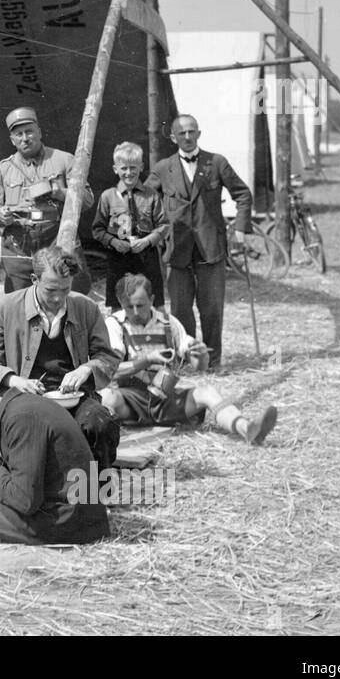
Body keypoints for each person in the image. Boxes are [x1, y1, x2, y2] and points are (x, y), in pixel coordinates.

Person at [0, 245, 122, 471]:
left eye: (65, 290)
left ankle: (95, 494)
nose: (58, 298)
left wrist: (85, 369)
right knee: (31, 435)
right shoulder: (5, 307)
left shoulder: (85, 307)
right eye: (51, 290)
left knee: (99, 423)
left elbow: (106, 356)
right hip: (23, 397)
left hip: (73, 397)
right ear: (35, 279)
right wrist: (15, 380)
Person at [101, 274, 278, 445]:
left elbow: (199, 367)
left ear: (152, 299)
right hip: (131, 401)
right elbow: (110, 371)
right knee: (107, 397)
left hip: (165, 399)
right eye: (129, 307)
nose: (136, 312)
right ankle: (108, 441)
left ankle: (247, 429)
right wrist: (147, 360)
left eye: (140, 305)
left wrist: (201, 355)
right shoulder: (114, 324)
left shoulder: (168, 323)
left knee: (207, 392)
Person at [0, 382, 109, 544]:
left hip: (65, 524)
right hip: (73, 517)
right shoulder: (20, 408)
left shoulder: (21, 419)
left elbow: (25, 500)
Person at [145, 114, 254, 370]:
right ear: (173, 137)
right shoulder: (163, 168)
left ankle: (213, 362)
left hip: (211, 249)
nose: (187, 136)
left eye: (192, 131)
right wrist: (153, 232)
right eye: (181, 133)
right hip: (176, 251)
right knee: (181, 312)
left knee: (212, 309)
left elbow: (243, 194)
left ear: (199, 134)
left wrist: (240, 227)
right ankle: (187, 361)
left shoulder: (216, 163)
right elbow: (145, 201)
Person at [0, 106, 93, 292]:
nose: (25, 138)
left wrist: (60, 193)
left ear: (39, 132)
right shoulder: (3, 169)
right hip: (19, 247)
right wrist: (0, 213)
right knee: (19, 300)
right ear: (12, 140)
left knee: (72, 293)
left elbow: (88, 200)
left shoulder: (64, 160)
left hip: (57, 242)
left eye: (29, 132)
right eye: (19, 134)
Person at [92, 141, 169, 311]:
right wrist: (113, 242)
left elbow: (163, 225)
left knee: (155, 305)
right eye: (124, 168)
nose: (129, 172)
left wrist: (148, 240)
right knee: (119, 307)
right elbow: (97, 229)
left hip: (146, 256)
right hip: (118, 258)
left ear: (141, 167)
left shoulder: (151, 195)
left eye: (133, 167)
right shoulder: (108, 196)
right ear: (115, 169)